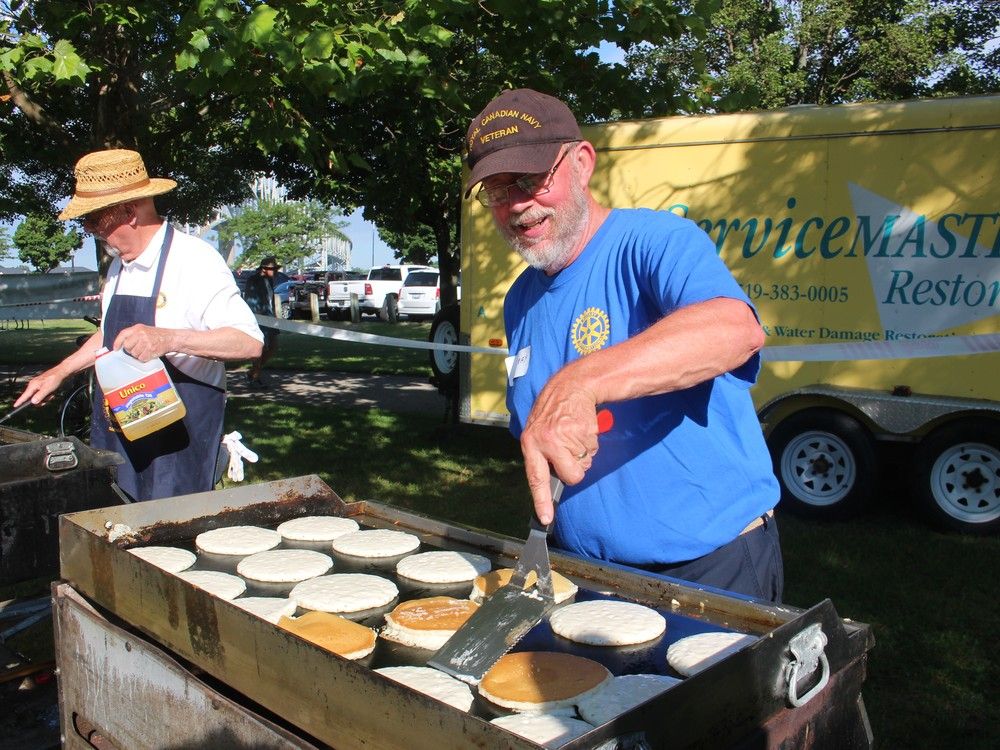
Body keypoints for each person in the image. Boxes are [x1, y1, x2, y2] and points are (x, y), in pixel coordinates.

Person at [464, 89, 783, 602]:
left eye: (530, 180)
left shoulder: (655, 242)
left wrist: (580, 382)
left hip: (706, 570)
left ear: (581, 164)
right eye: (499, 191)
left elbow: (734, 330)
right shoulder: (521, 297)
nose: (517, 204)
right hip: (583, 575)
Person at [14, 149, 263, 501]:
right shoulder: (120, 266)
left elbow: (249, 342)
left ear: (129, 212)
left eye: (94, 220)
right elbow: (109, 334)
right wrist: (60, 371)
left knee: (170, 542)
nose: (89, 230)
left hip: (179, 439)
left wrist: (169, 338)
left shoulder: (193, 260)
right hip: (121, 430)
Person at [242, 255, 281, 388]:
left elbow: (270, 300)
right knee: (261, 347)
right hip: (258, 318)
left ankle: (252, 372)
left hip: (270, 318)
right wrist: (256, 318)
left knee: (274, 346)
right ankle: (254, 377)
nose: (275, 271)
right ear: (264, 269)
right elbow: (250, 300)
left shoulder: (269, 281)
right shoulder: (253, 280)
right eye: (273, 269)